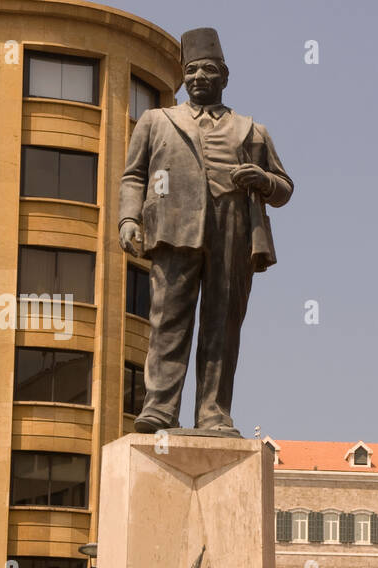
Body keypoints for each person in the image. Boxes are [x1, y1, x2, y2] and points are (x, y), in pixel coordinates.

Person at [119, 26, 293, 435]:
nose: (199, 76)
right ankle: (160, 408)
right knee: (168, 320)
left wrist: (263, 179)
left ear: (224, 76)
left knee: (222, 326)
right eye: (192, 70)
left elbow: (285, 188)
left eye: (209, 70)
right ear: (184, 77)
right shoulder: (157, 121)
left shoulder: (252, 130)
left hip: (233, 230)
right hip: (173, 227)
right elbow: (133, 176)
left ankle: (214, 412)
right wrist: (128, 219)